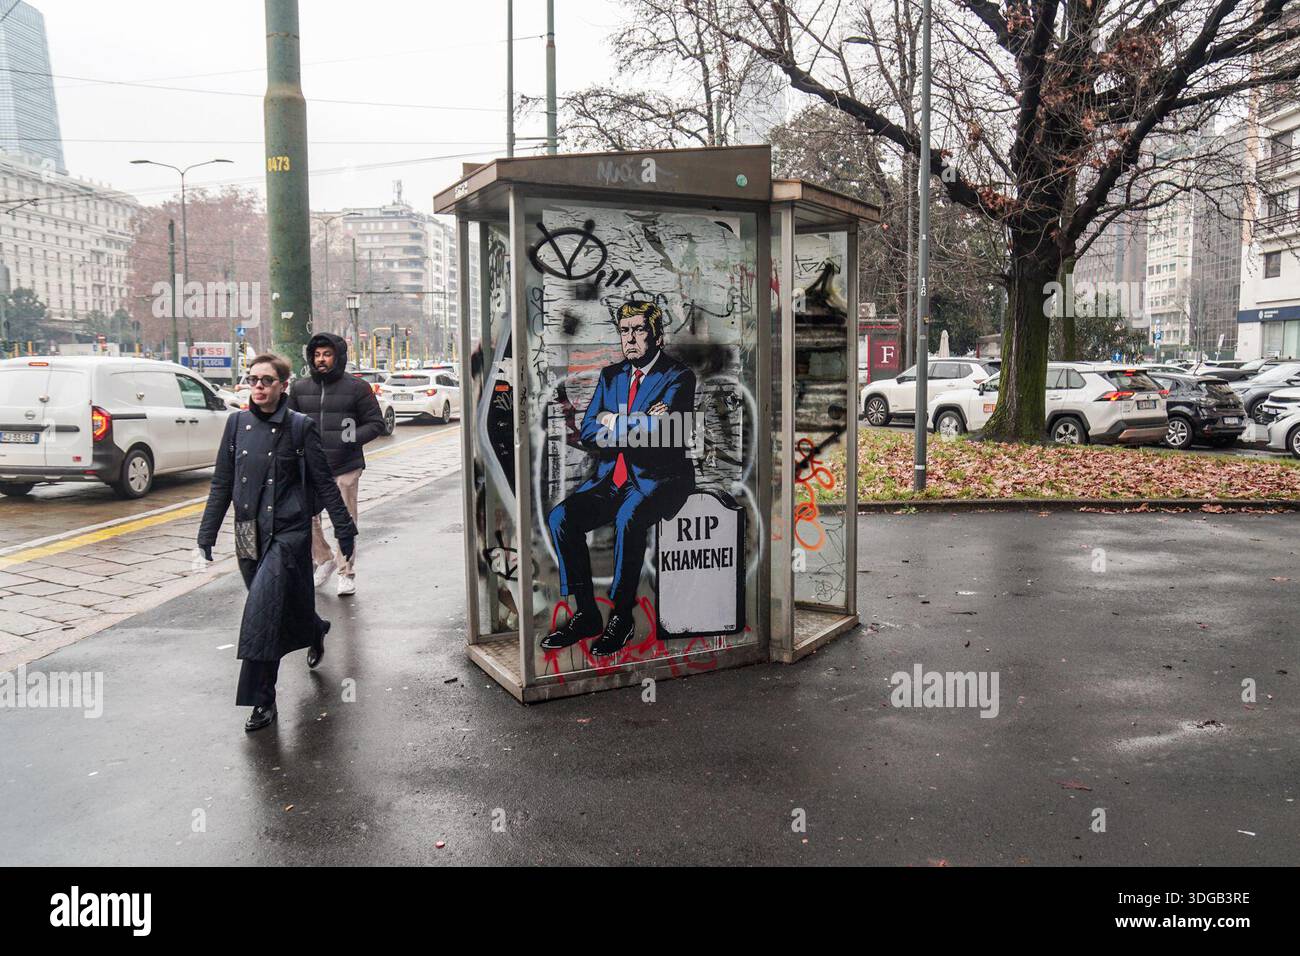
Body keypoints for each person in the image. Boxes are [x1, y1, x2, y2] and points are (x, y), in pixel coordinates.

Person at [197, 354, 358, 732]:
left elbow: (323, 481)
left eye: (267, 380)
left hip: (288, 533)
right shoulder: (236, 424)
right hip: (247, 533)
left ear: (283, 385)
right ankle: (314, 628)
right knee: (279, 608)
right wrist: (206, 535)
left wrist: (344, 530)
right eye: (253, 379)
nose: (258, 386)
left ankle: (262, 700)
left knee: (260, 617)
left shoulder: (300, 427)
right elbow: (222, 483)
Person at [543, 301, 696, 656]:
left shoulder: (678, 376)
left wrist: (615, 420)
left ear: (657, 335)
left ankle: (621, 616)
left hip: (660, 478)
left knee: (630, 517)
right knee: (561, 517)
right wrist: (635, 421)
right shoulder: (611, 376)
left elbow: (665, 431)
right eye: (625, 331)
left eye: (639, 330)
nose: (630, 338)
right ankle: (586, 613)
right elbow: (588, 432)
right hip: (613, 478)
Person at [286, 332, 385, 596]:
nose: (321, 359)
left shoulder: (357, 387)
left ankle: (346, 572)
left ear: (338, 357)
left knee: (345, 520)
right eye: (317, 355)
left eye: (327, 354)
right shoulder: (299, 388)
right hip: (309, 466)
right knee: (307, 517)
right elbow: (288, 423)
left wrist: (349, 439)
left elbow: (376, 423)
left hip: (345, 465)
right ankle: (325, 559)